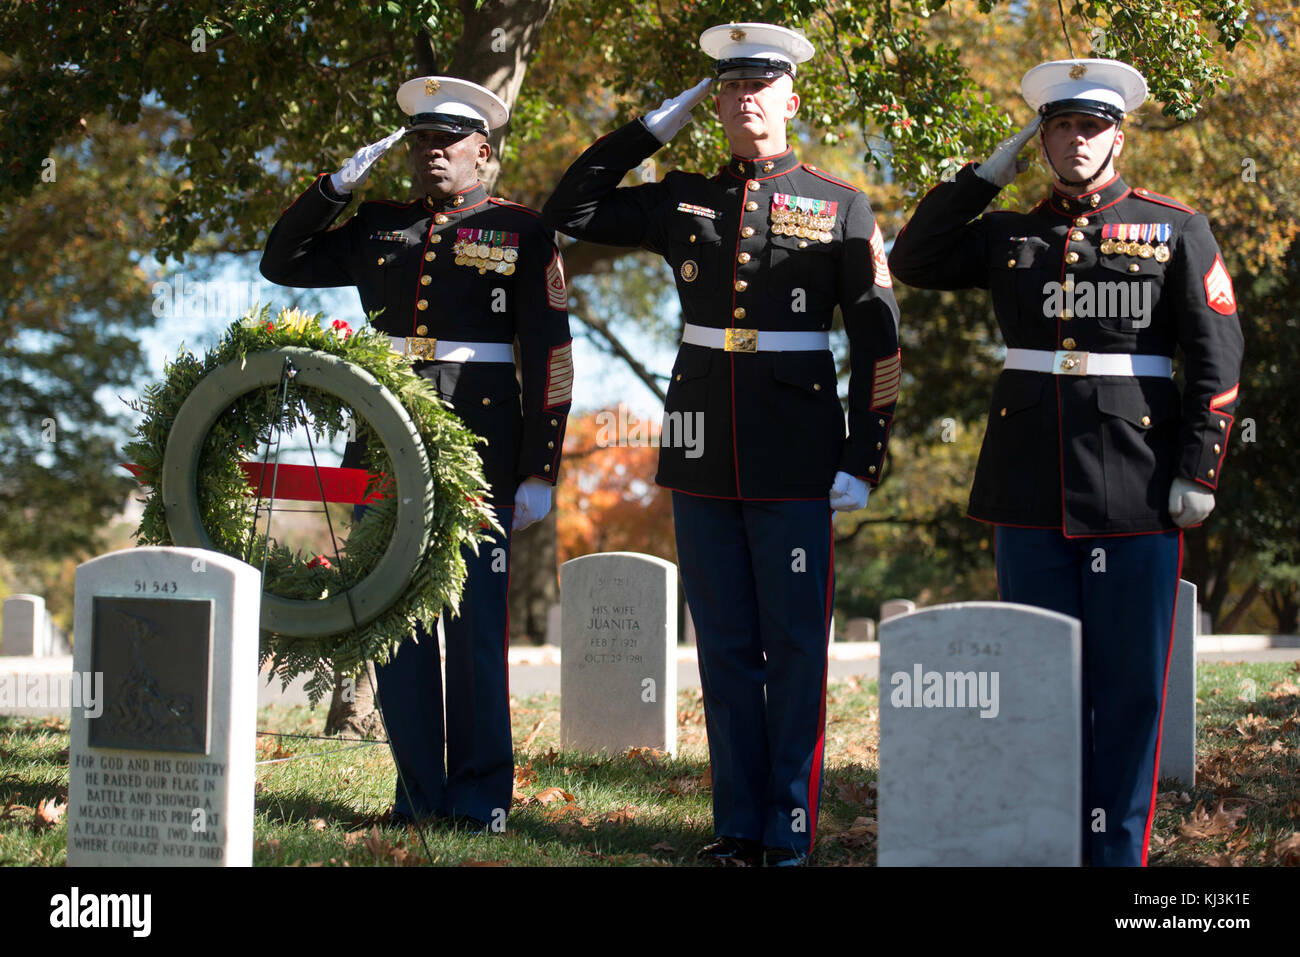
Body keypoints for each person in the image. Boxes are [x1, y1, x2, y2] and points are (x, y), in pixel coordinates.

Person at [543, 22, 901, 866]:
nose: (745, 99)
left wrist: (863, 453)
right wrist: (650, 128)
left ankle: (790, 827)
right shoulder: (682, 196)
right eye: (730, 86)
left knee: (795, 647)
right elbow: (571, 209)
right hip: (701, 445)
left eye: (759, 84)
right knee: (727, 650)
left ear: (790, 97)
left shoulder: (841, 203)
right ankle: (738, 827)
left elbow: (879, 341)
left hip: (799, 451)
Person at [889, 59, 1243, 866]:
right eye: (1059, 126)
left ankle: (1116, 855)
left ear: (1118, 134)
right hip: (1026, 485)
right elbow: (913, 257)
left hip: (1137, 481)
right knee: (1036, 681)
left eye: (1090, 126)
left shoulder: (1173, 227)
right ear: (1040, 137)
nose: (1076, 140)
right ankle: (1046, 843)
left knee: (1126, 692)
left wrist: (1200, 467)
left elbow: (1216, 356)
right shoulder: (1011, 232)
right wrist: (984, 175)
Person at [261, 76, 573, 831]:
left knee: (472, 632)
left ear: (483, 152)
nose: (433, 153)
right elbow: (283, 259)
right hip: (383, 447)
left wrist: (539, 467)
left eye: (449, 141)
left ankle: (480, 799)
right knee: (396, 627)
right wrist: (336, 186)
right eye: (422, 141)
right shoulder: (378, 226)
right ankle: (417, 794)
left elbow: (551, 355)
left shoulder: (522, 231)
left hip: (481, 448)